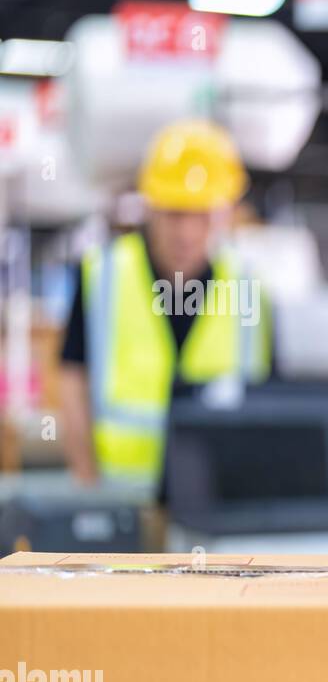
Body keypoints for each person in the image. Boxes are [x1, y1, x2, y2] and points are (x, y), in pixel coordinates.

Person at [59, 119, 272, 487]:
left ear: (223, 214)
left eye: (201, 215)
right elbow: (71, 380)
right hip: (123, 496)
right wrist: (88, 483)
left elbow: (270, 400)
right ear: (151, 208)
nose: (186, 232)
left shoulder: (249, 288)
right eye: (174, 213)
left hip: (217, 498)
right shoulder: (102, 273)